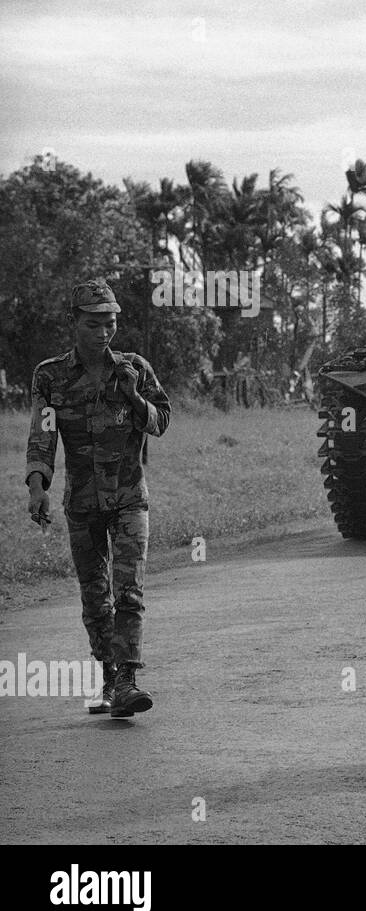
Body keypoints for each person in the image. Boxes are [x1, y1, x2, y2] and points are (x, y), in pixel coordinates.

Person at [25, 278, 171, 717]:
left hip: (129, 498)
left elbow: (161, 420)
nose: (103, 332)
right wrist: (37, 487)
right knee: (95, 597)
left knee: (129, 592)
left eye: (109, 324)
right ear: (74, 322)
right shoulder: (50, 376)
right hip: (82, 503)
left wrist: (134, 398)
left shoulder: (134, 369)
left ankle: (127, 681)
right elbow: (43, 434)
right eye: (93, 324)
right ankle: (108, 679)